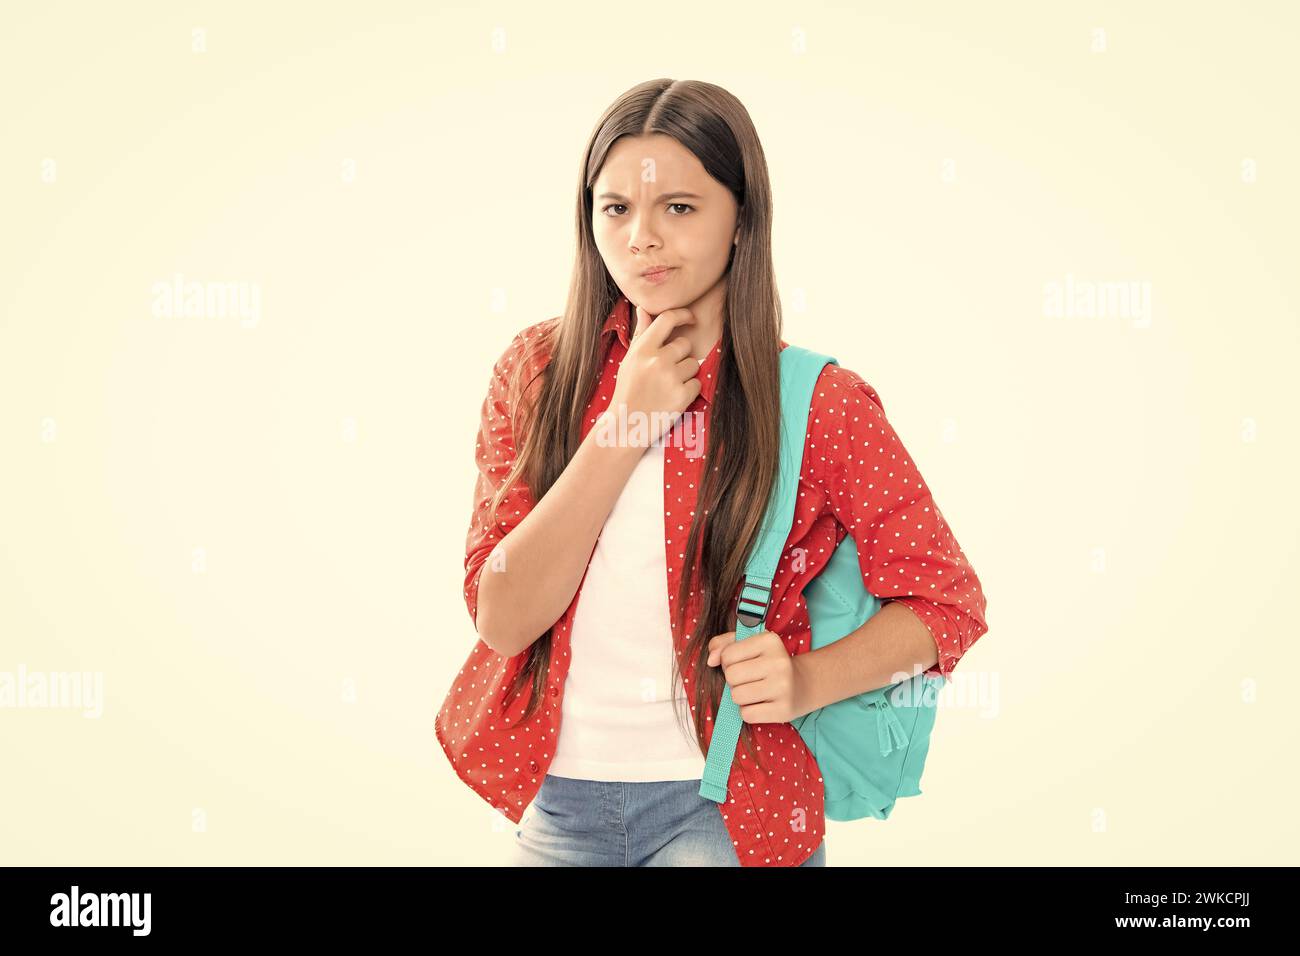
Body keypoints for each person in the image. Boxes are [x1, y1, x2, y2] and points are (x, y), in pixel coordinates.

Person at [435, 78, 989, 867]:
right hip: (559, 806)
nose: (642, 238)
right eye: (615, 207)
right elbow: (503, 617)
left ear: (742, 219)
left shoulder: (818, 403)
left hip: (730, 811)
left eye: (679, 207)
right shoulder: (537, 372)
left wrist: (807, 682)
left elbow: (947, 601)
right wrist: (625, 423)